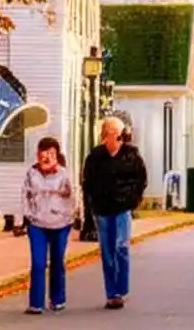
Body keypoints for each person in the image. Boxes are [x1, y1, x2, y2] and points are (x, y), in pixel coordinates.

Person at [82, 117, 147, 309]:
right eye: (116, 135)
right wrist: (91, 208)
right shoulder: (95, 157)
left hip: (122, 208)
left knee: (121, 246)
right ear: (106, 135)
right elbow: (88, 184)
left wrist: (134, 199)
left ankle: (122, 288)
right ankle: (112, 293)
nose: (120, 139)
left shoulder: (131, 155)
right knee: (107, 251)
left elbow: (141, 178)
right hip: (102, 209)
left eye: (121, 135)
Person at [22, 137, 75, 315]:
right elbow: (25, 197)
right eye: (43, 153)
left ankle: (57, 298)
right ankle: (36, 303)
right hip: (37, 223)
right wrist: (27, 216)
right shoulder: (31, 174)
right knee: (38, 262)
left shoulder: (64, 174)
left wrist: (71, 215)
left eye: (51, 153)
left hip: (60, 223)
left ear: (57, 155)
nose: (46, 157)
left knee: (57, 261)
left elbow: (72, 197)